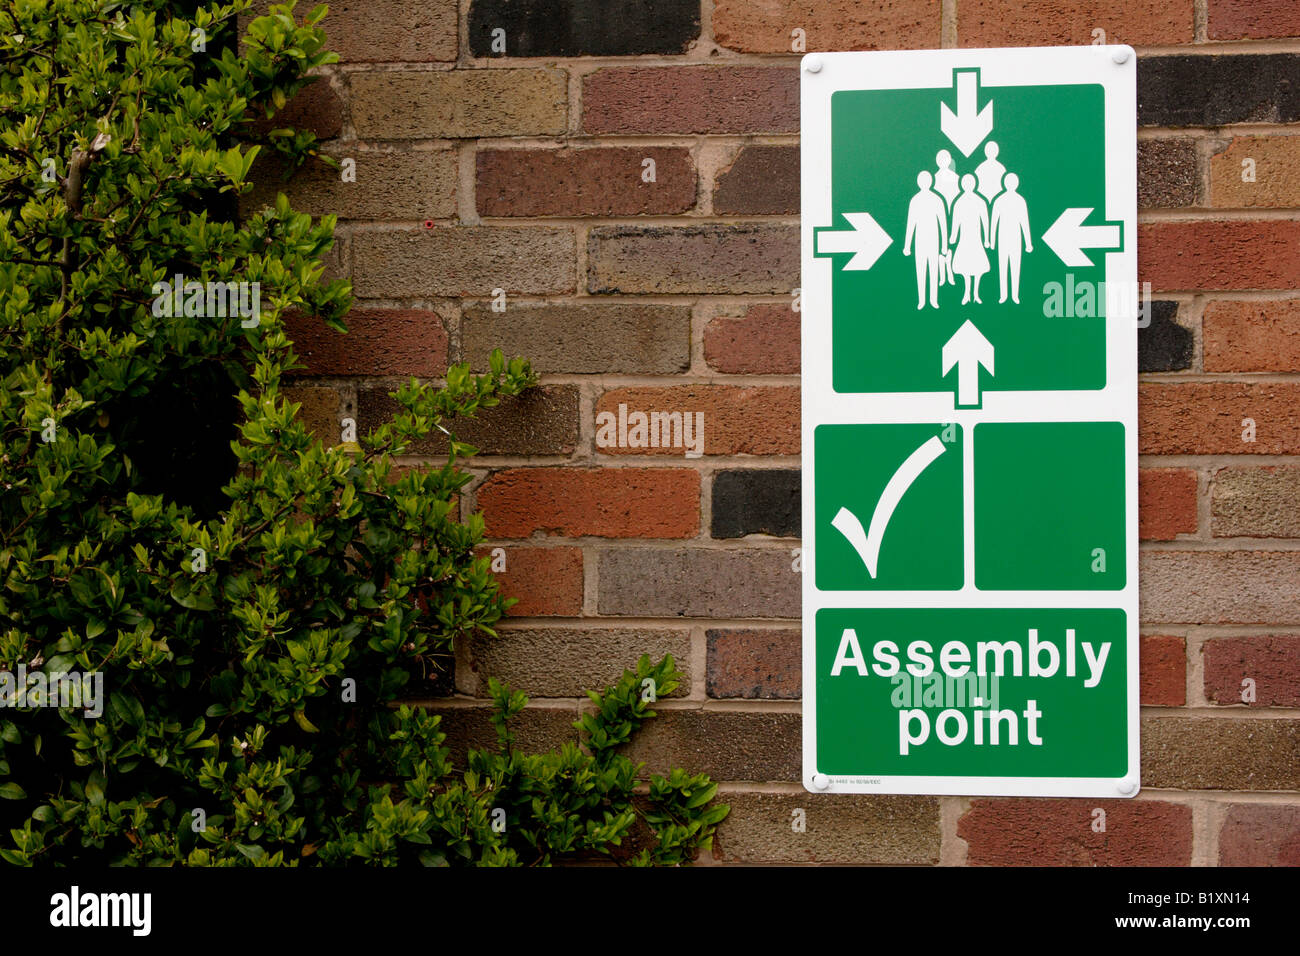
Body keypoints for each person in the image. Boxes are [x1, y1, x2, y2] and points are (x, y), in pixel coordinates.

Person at [903, 171, 949, 310]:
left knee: (934, 270)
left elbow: (943, 224)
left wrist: (944, 245)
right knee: (921, 270)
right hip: (920, 241)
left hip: (934, 241)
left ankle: (934, 300)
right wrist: (907, 246)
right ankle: (922, 300)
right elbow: (910, 224)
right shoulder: (915, 200)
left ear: (931, 182)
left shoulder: (937, 200)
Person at [989, 172, 1033, 304]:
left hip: (1016, 238)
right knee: (1002, 266)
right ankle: (1003, 295)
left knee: (1015, 267)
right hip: (1002, 238)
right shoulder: (999, 201)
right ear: (1005, 183)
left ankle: (1015, 295)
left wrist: (1028, 243)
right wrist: (992, 241)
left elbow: (1025, 223)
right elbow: (994, 222)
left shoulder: (1020, 201)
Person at [949, 174, 990, 305]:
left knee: (978, 267)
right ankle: (967, 293)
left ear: (974, 184)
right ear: (962, 184)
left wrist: (987, 239)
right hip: (964, 238)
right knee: (966, 266)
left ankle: (976, 294)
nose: (967, 185)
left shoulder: (980, 201)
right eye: (965, 182)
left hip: (976, 238)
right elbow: (955, 222)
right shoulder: (959, 202)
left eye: (970, 182)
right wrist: (953, 237)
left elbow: (985, 222)